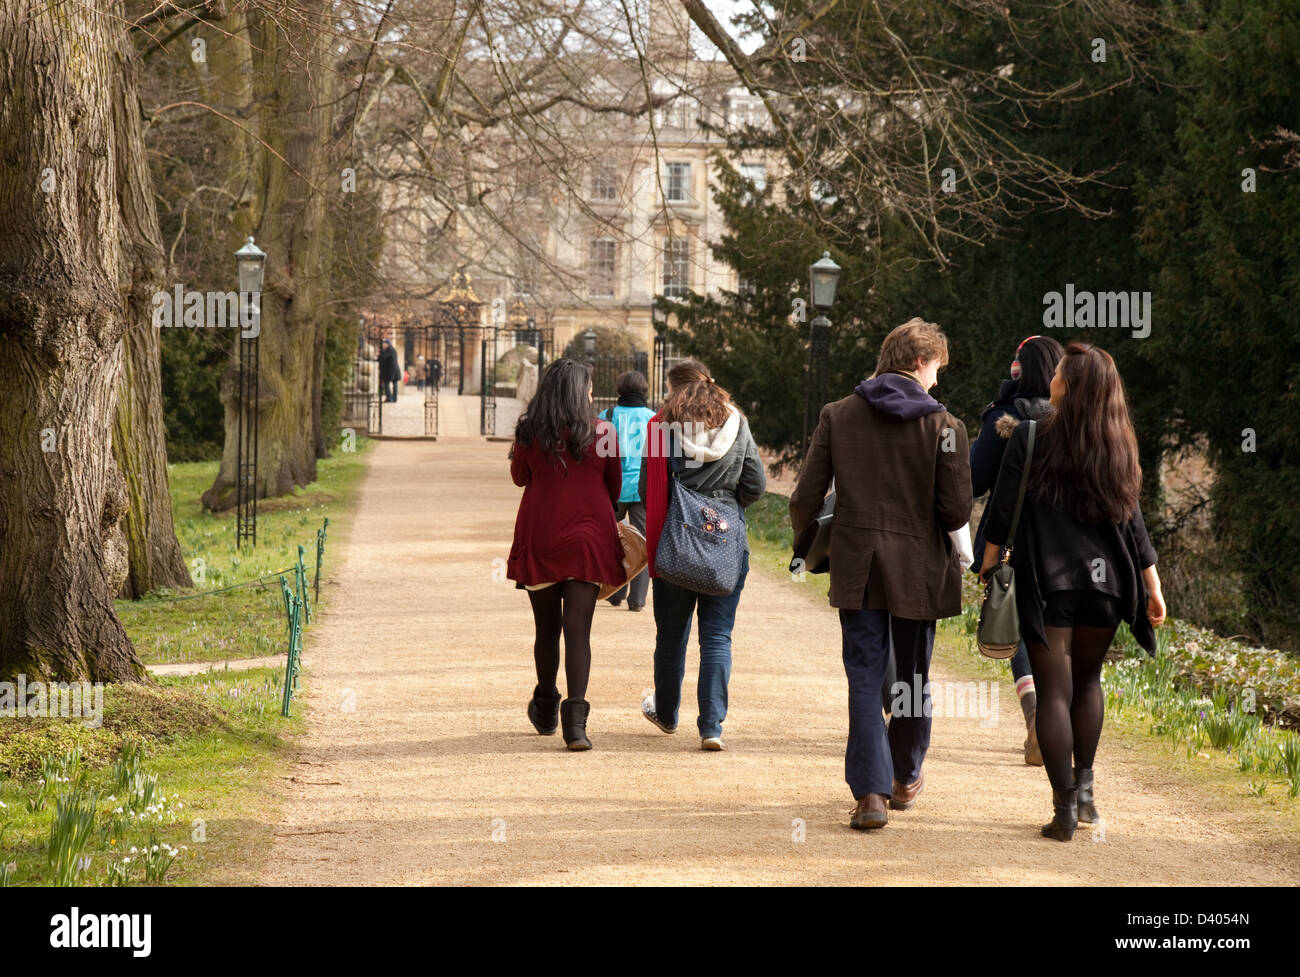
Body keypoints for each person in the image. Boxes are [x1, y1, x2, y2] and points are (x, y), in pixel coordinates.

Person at [790, 317, 972, 830]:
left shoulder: (838, 415)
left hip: (859, 563)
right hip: (920, 568)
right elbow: (956, 510)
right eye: (936, 367)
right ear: (919, 362)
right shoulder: (947, 428)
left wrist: (814, 543)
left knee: (865, 676)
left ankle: (870, 792)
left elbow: (805, 496)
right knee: (913, 676)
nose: (937, 380)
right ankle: (904, 775)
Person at [979, 342, 1165, 841]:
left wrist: (990, 564)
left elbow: (1001, 508)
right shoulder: (1119, 442)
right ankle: (1085, 795)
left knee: (1054, 692)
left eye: (1060, 372)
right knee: (1088, 683)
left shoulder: (1032, 436)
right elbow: (1134, 520)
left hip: (1048, 582)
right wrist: (1153, 583)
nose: (1054, 377)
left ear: (1070, 385)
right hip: (1108, 586)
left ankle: (1062, 811)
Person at [638, 359, 765, 751]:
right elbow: (756, 483)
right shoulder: (736, 423)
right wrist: (726, 504)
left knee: (672, 635)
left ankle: (668, 713)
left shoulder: (661, 426)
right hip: (726, 541)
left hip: (677, 539)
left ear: (675, 388)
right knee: (717, 636)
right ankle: (711, 726)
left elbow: (647, 487)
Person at [507, 358, 624, 751]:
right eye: (589, 386)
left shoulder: (530, 431)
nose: (592, 393)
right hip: (588, 538)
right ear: (579, 391)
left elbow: (520, 477)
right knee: (579, 631)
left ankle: (545, 705)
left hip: (541, 534)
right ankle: (576, 727)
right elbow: (615, 485)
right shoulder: (604, 432)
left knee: (546, 629)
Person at [969, 335, 1065, 766]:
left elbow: (972, 483)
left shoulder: (1005, 417)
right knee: (1057, 630)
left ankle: (1034, 718)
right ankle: (1057, 721)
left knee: (1021, 624)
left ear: (1019, 370)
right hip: (1072, 548)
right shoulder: (1079, 420)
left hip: (1012, 541)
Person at [599, 371, 657, 611]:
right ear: (644, 391)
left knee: (613, 539)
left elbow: (601, 456)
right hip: (643, 488)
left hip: (615, 487)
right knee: (643, 542)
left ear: (619, 390)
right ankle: (638, 599)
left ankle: (615, 591)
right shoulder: (653, 418)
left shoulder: (608, 416)